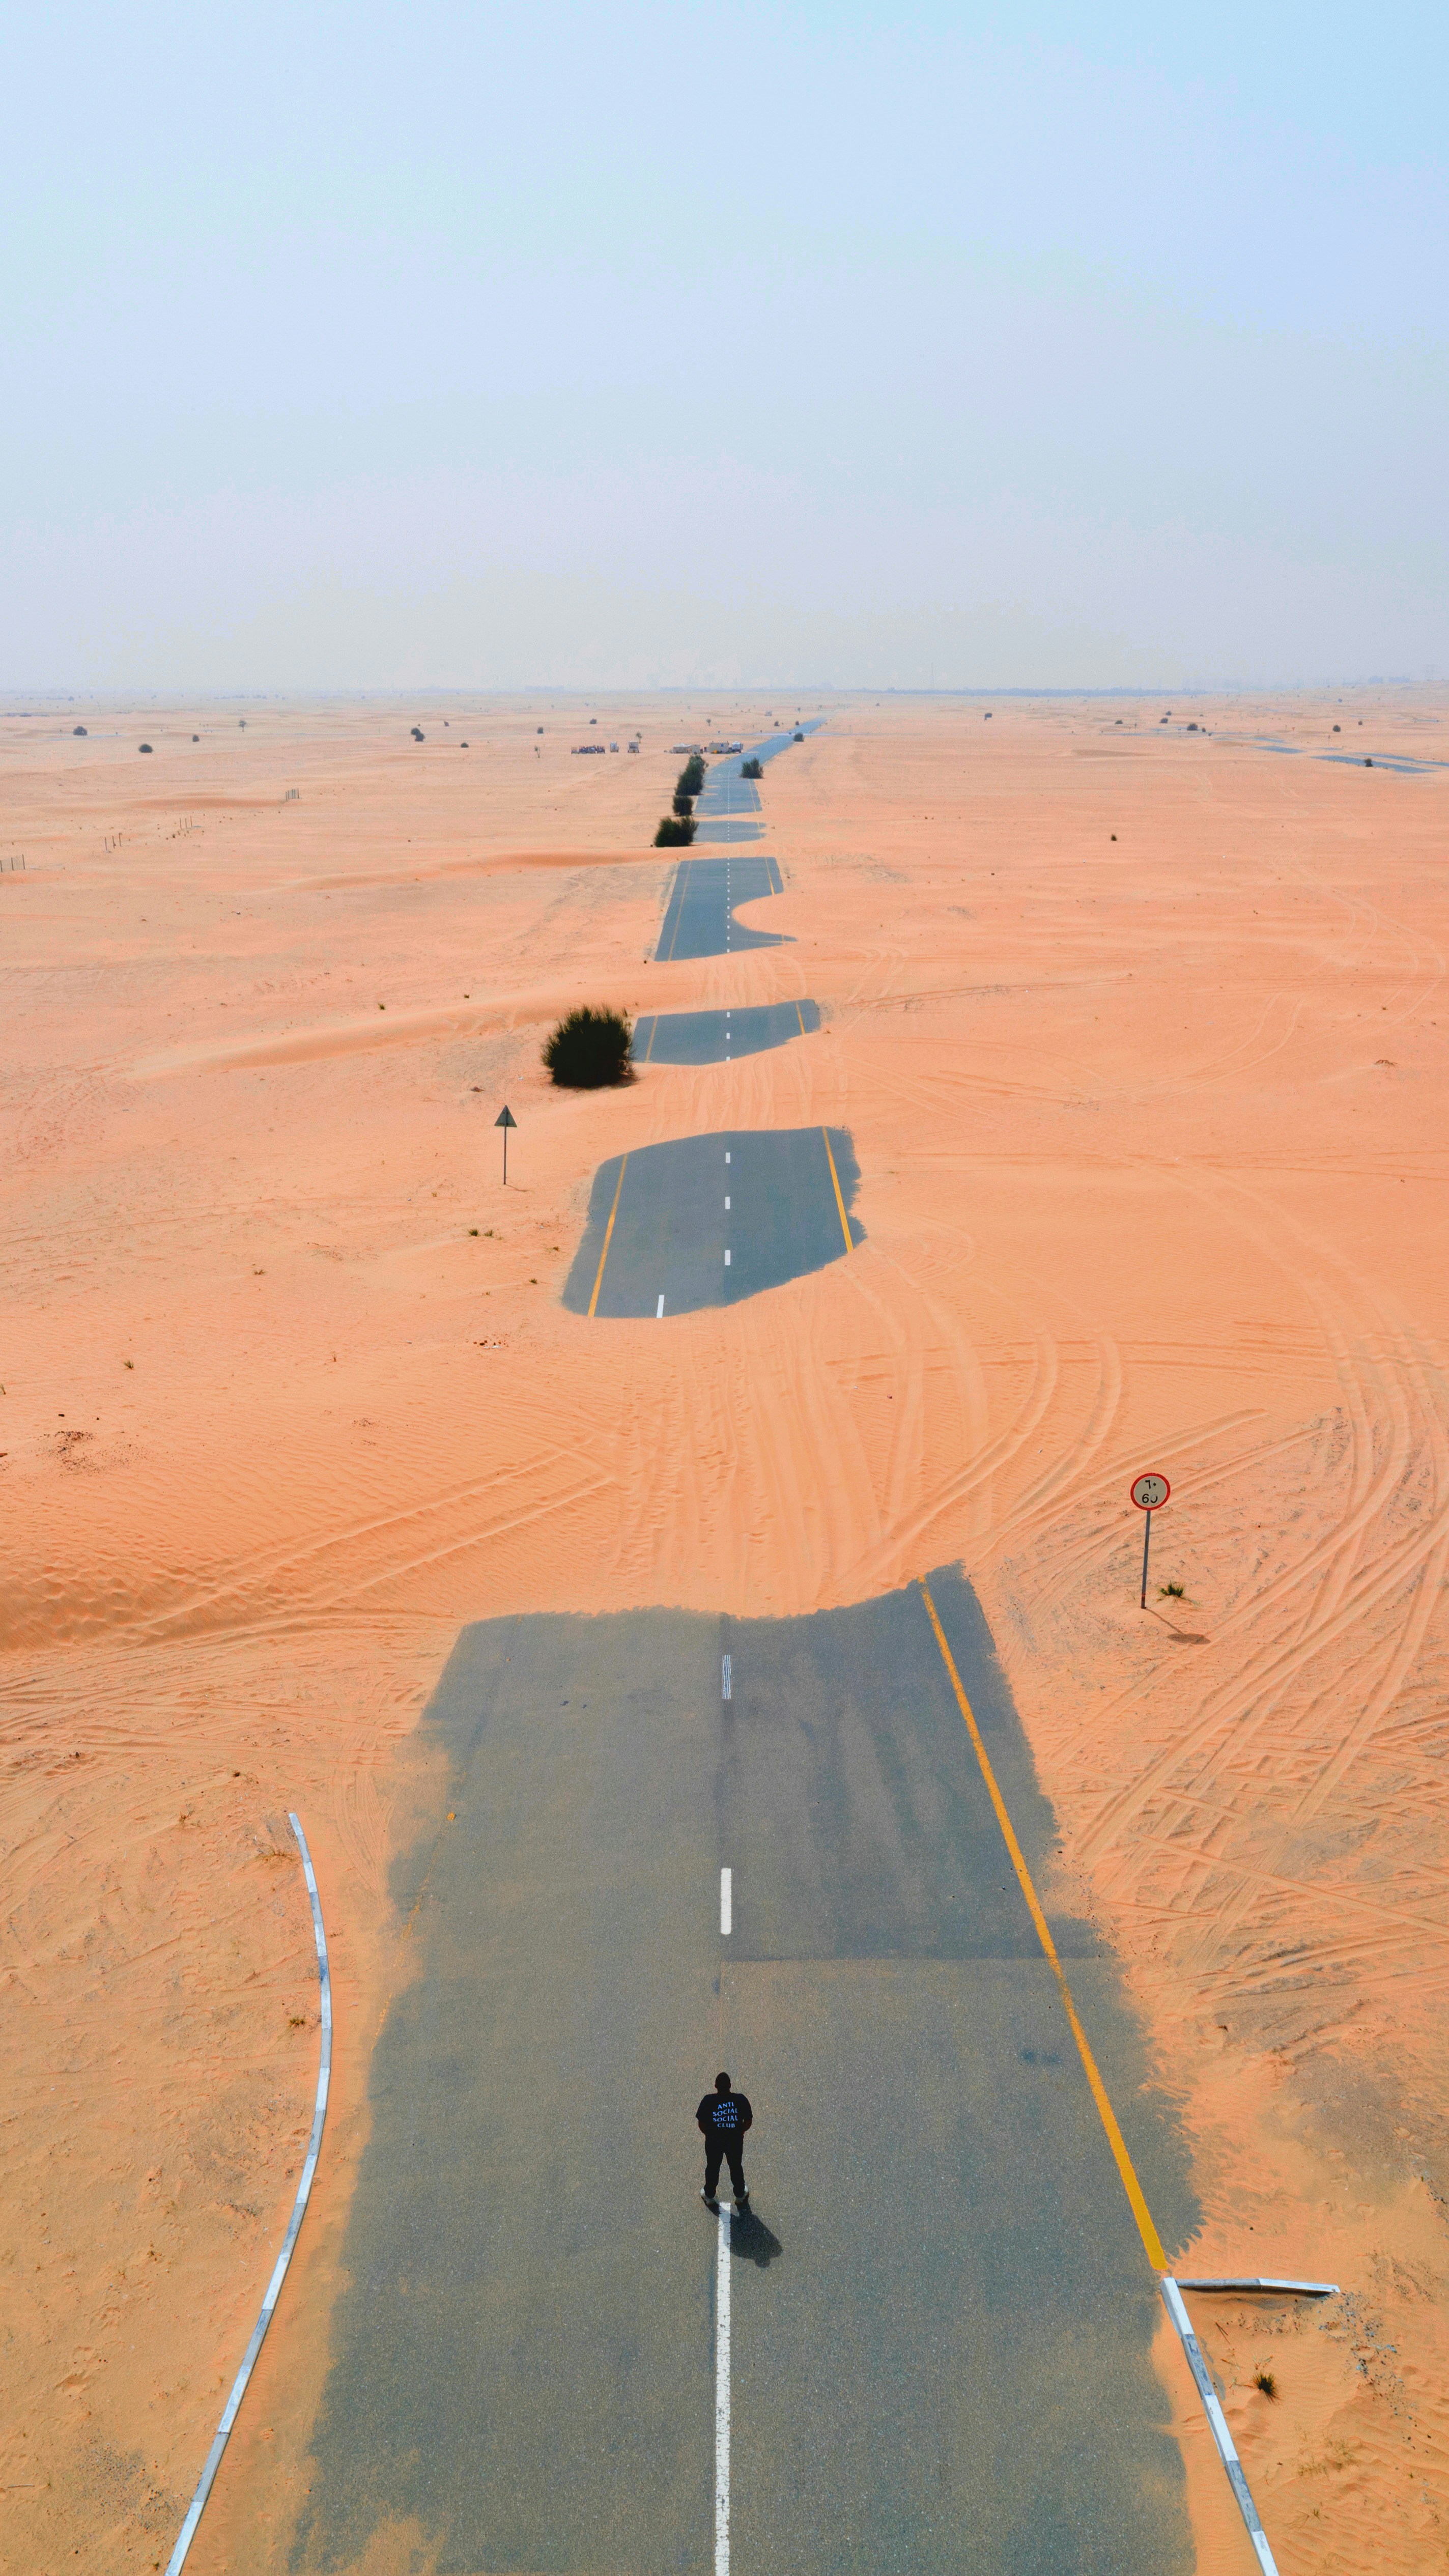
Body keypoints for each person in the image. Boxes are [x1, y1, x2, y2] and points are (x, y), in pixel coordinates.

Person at [697, 2071, 753, 2210]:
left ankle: (709, 2195)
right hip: (734, 2141)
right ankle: (740, 2195)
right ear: (730, 2085)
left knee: (712, 2167)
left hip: (714, 2142)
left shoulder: (708, 2101)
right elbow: (748, 2120)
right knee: (736, 2166)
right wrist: (741, 2131)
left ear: (715, 2086)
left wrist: (709, 2134)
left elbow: (702, 2123)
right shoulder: (740, 2100)